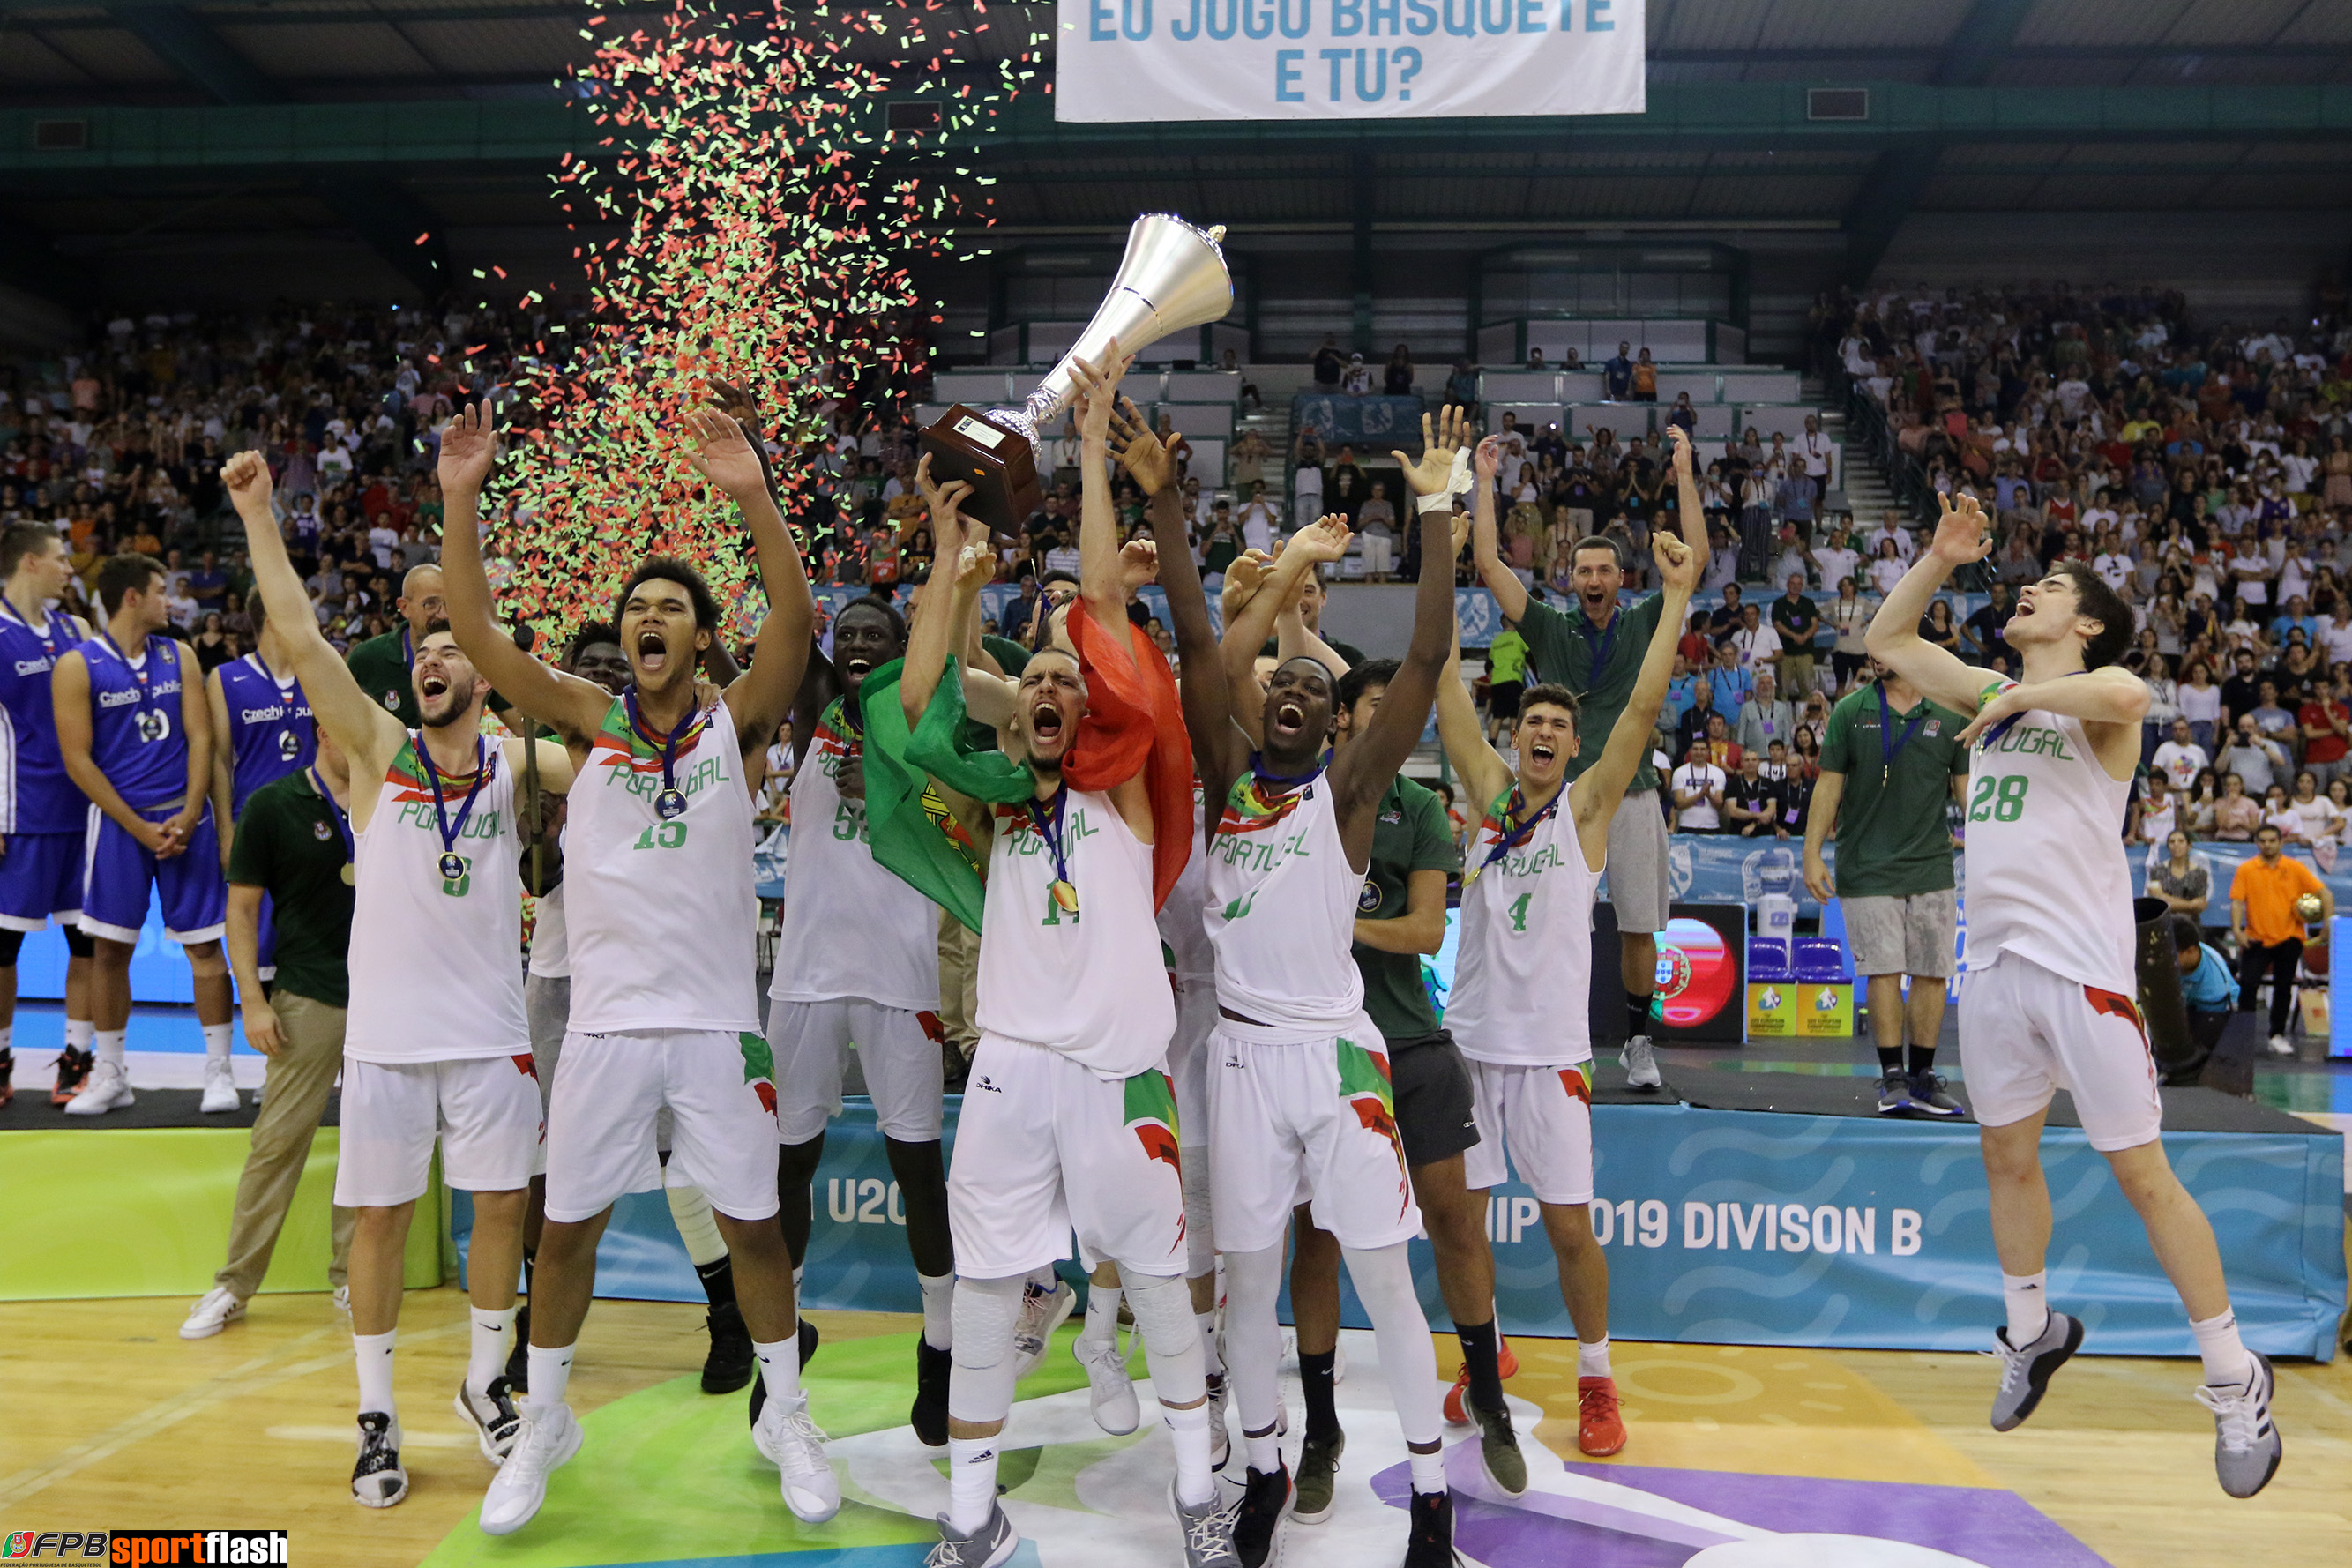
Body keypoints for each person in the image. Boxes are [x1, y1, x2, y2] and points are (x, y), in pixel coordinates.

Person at [436, 400, 833, 1534]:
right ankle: (545, 1419)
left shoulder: (734, 726)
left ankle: (786, 1409)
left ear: (701, 639)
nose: (649, 619)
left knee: (753, 1228)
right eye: (636, 609)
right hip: (605, 1029)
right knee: (571, 1231)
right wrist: (463, 494)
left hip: (717, 1027)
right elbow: (477, 631)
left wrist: (752, 492)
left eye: (670, 610)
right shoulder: (588, 726)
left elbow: (795, 621)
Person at [1868, 491, 2285, 1499]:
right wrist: (1935, 558)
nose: (2028, 589)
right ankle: (2032, 1327)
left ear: (2086, 621)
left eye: (2050, 587)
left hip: (2085, 978)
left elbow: (2133, 699)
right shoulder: (1984, 691)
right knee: (2005, 1157)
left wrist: (2019, 698)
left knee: (2143, 1176)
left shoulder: (2101, 706)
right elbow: (1884, 637)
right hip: (1996, 970)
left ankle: (2235, 1375)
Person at [885, 349, 1225, 1568]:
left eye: (1062, 680)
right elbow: (926, 684)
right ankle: (970, 1516)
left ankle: (1198, 1491)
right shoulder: (991, 807)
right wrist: (947, 563)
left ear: (1086, 713)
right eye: (1028, 676)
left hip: (1118, 1073)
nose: (1045, 685)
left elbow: (1098, 606)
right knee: (985, 1296)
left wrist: (1085, 451)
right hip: (1009, 1075)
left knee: (1158, 1274)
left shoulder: (1120, 793)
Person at [220, 447, 575, 1505]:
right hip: (383, 1039)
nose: (430, 655)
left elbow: (621, 759)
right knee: (377, 1220)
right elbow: (299, 630)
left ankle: (481, 1380)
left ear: (482, 669)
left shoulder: (518, 760)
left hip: (489, 1036)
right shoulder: (376, 748)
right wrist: (259, 517)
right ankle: (376, 1414)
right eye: (422, 646)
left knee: (502, 1207)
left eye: (452, 646)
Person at [1186, 404, 1471, 1567]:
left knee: (1381, 1283)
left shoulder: (1346, 795)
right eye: (1280, 686)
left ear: (1334, 727)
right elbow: (1203, 658)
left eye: (1315, 687)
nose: (1294, 692)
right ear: (1262, 713)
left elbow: (1421, 657)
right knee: (1242, 1286)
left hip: (1335, 1056)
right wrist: (1173, 503)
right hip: (1241, 1056)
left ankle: (1430, 1493)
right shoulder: (1226, 781)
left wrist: (1437, 512)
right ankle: (1260, 1465)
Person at [1434, 508, 1697, 1463]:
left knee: (1570, 1230)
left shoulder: (1586, 811)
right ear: (1515, 737)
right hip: (1469, 1050)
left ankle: (1596, 1375)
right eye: (1532, 722)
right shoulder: (1482, 798)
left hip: (1550, 1060)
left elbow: (1639, 708)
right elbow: (1440, 686)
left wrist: (1673, 599)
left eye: (1559, 725)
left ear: (1573, 746)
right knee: (1460, 1227)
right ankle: (1484, 1352)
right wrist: (1441, 532)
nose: (1545, 731)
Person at [1280, 646, 1497, 1523]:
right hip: (1313, 1052)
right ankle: (1321, 1429)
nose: (1379, 719)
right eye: (1363, 706)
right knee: (1317, 1246)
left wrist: (1339, 924)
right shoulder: (1292, 797)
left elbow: (1419, 928)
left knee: (1453, 1220)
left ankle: (1487, 1388)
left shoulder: (1419, 808)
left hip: (1409, 1042)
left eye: (1390, 709)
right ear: (1342, 719)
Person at [508, 623, 750, 1399]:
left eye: (619, 667)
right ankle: (534, 1319)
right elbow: (531, 871)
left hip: (666, 985)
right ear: (570, 680)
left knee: (684, 1164)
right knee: (550, 1170)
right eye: (593, 668)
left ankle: (728, 1313)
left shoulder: (685, 740)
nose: (610, 677)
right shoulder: (560, 746)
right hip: (564, 977)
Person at [1469, 423, 1709, 1089]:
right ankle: (1543, 1034)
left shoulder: (1640, 622)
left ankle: (1637, 1042)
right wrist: (1484, 484)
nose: (1593, 577)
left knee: (1638, 928)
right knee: (1546, 925)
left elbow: (1694, 561)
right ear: (1568, 579)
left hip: (1629, 793)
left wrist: (1684, 475)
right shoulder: (1548, 624)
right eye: (1583, 570)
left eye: (1604, 569)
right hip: (1557, 805)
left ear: (1620, 577)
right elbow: (1489, 566)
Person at [772, 591, 956, 1443]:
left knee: (917, 1169)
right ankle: (783, 1343)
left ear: (900, 647)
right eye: (845, 633)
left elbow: (958, 829)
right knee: (788, 1168)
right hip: (805, 979)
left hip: (899, 978)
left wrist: (893, 791)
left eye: (874, 634)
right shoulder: (814, 712)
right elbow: (780, 632)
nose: (856, 644)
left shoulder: (922, 724)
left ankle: (940, 1346)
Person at [178, 721, 358, 1342]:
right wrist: (251, 1000)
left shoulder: (390, 797)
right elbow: (242, 909)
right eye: (344, 729)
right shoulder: (274, 805)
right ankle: (233, 1284)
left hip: (389, 998)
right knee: (277, 1145)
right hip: (307, 994)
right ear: (320, 733)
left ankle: (353, 1274)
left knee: (375, 1139)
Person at [51, 553, 233, 1116]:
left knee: (205, 946)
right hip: (118, 828)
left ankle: (219, 1072)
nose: (170, 600)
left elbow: (201, 739)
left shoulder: (178, 653)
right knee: (109, 951)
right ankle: (111, 1074)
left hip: (185, 821)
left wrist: (188, 810)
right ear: (132, 597)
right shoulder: (77, 666)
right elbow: (77, 761)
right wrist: (137, 826)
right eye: (160, 590)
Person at [1802, 660, 1970, 1115]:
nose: (1876, 655)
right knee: (1884, 969)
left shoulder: (1951, 713)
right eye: (1871, 647)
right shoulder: (1851, 710)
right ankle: (1892, 1075)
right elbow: (1828, 787)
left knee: (1933, 970)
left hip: (1932, 864)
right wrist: (1811, 851)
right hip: (1867, 864)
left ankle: (1923, 1076)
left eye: (1886, 643)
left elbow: (1967, 792)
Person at [203, 594, 316, 1110]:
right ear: (271, 616)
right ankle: (222, 1070)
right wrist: (226, 832)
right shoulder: (226, 678)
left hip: (316, 834)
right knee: (254, 954)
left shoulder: (322, 670)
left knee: (301, 958)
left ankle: (284, 1073)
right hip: (254, 833)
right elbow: (220, 762)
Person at [0, 523, 95, 1109]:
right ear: (31, 562)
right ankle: (1, 1055)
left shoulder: (75, 630)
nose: (70, 568)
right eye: (62, 559)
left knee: (88, 944)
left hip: (84, 815)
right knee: (2, 949)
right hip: (17, 817)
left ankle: (78, 1058)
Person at [2229, 823, 2333, 1057]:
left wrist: (2326, 925)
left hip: (2290, 937)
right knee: (2247, 985)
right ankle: (2243, 1038)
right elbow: (2236, 902)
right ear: (2257, 843)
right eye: (2262, 840)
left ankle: (2277, 1035)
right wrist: (2237, 930)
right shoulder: (2246, 869)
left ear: (2280, 842)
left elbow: (2325, 894)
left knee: (2284, 987)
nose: (2267, 845)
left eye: (2271, 840)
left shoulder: (2295, 868)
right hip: (2256, 939)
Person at [1771, 573, 1820, 698]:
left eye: (1799, 584)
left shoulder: (1808, 603)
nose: (1796, 586)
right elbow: (1777, 624)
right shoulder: (1779, 603)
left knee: (1807, 688)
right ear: (1787, 585)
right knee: (1783, 689)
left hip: (1805, 651)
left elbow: (1815, 624)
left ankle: (1806, 715)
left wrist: (1804, 636)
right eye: (1793, 583)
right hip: (1785, 652)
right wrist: (1794, 636)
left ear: (1802, 586)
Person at [1670, 739, 1725, 832]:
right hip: (1687, 826)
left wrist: (1708, 795)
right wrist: (1700, 795)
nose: (1699, 752)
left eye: (1702, 749)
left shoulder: (1718, 773)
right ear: (1690, 751)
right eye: (1695, 749)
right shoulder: (1680, 772)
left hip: (1711, 826)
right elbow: (1679, 804)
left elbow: (1719, 804)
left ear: (1708, 752)